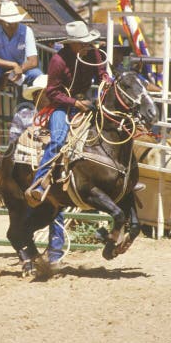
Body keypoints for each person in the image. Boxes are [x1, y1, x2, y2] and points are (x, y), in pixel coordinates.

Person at [26, 21, 109, 206]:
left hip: (88, 102)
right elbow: (52, 92)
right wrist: (75, 103)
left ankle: (121, 176)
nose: (87, 46)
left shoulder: (93, 53)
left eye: (88, 42)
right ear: (72, 43)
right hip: (62, 106)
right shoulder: (58, 61)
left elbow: (102, 72)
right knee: (58, 138)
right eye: (83, 43)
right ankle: (39, 183)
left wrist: (106, 80)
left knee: (111, 127)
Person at [9, 74, 67, 265]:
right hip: (27, 169)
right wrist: (41, 134)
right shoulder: (25, 115)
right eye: (46, 95)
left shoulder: (58, 115)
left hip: (52, 167)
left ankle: (55, 254)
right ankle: (39, 251)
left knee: (57, 208)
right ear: (37, 96)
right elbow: (14, 140)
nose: (49, 98)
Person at [0, 1, 43, 121]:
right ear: (1, 21)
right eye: (9, 23)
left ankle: (33, 111)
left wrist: (17, 70)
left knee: (37, 75)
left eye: (15, 22)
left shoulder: (26, 31)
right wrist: (13, 65)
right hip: (1, 68)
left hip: (22, 69)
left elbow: (33, 61)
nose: (12, 25)